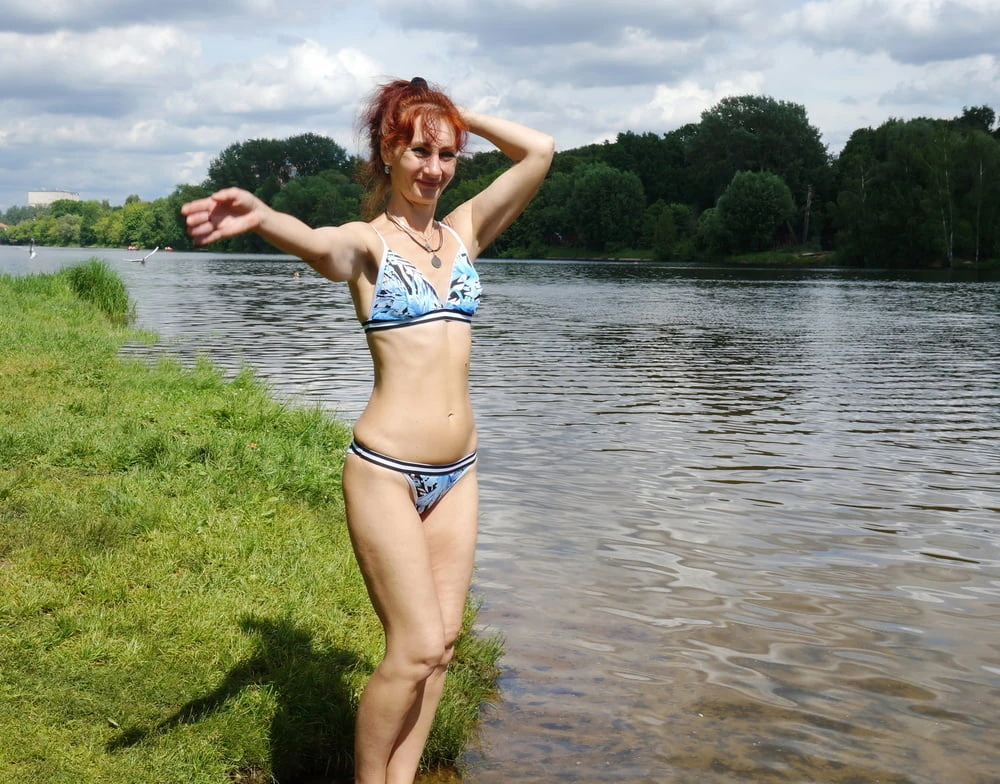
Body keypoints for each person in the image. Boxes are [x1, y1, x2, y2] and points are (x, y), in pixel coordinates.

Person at [181, 77, 554, 784]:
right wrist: (262, 215)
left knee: (442, 649)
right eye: (417, 150)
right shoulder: (367, 244)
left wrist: (451, 116)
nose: (433, 168)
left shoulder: (465, 230)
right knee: (412, 648)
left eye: (446, 154)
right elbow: (319, 246)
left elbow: (539, 151)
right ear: (388, 152)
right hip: (386, 470)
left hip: (459, 475)